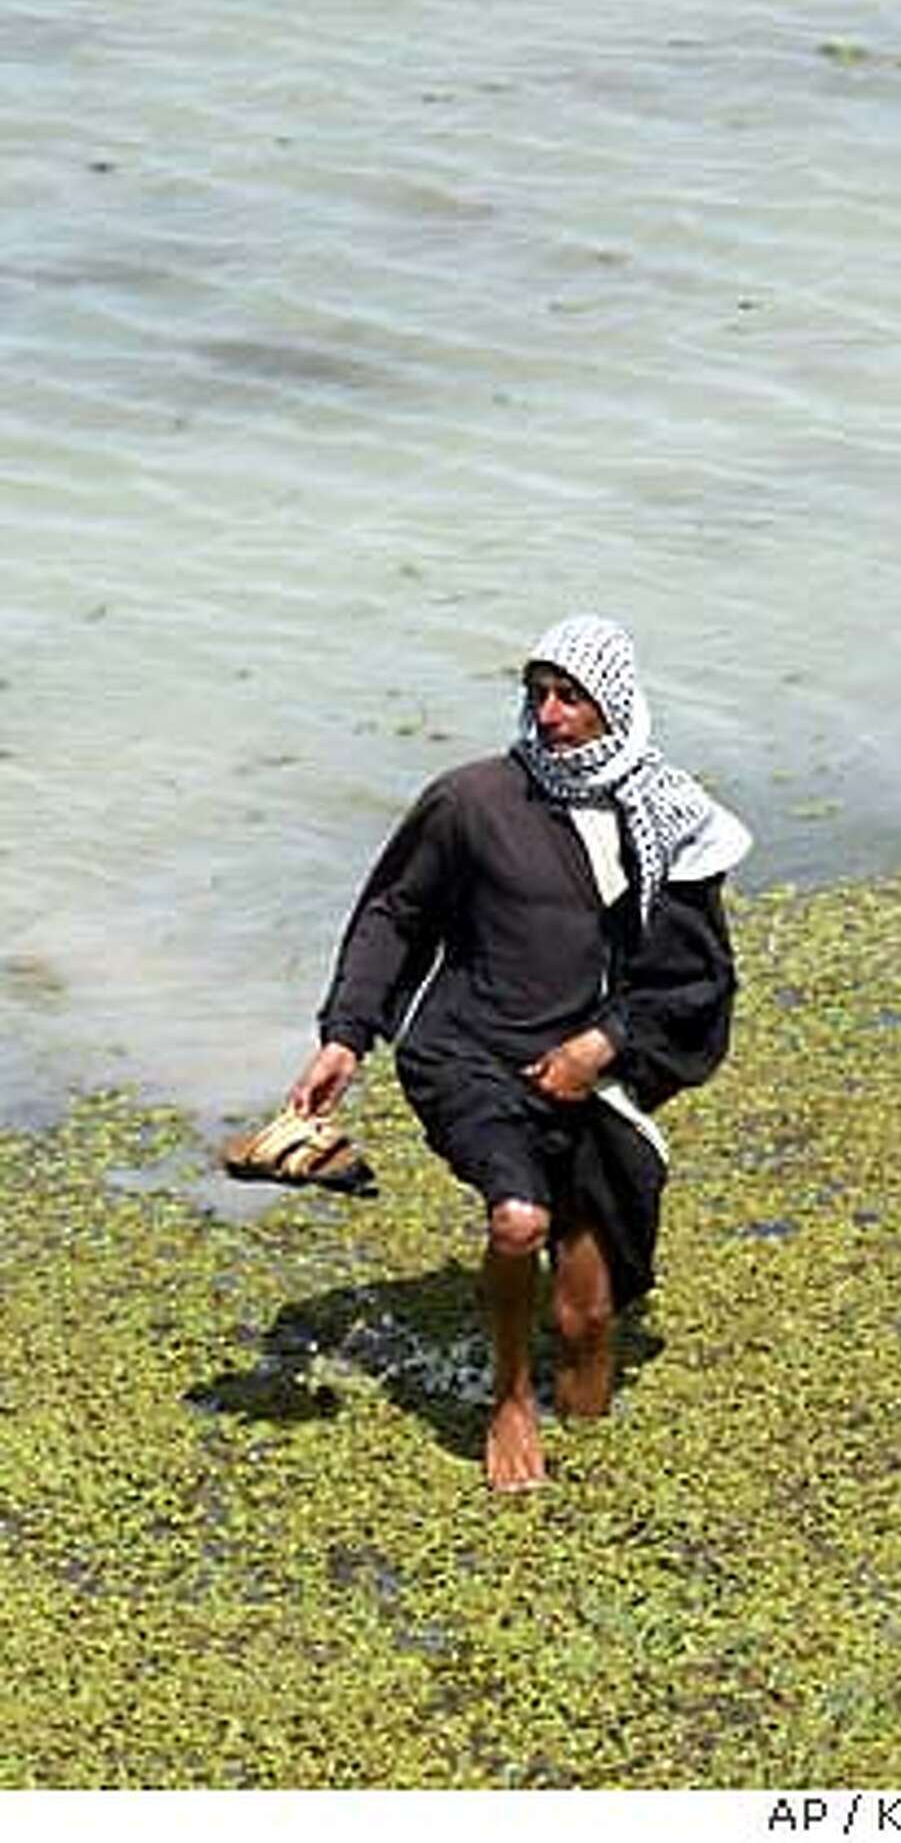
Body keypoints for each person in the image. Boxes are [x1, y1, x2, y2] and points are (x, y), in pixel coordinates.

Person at [288, 616, 751, 1491]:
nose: (547, 715)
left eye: (569, 697)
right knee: (518, 1220)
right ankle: (506, 1401)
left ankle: (582, 1446)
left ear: (613, 706)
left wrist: (602, 1044)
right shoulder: (473, 803)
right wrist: (348, 1035)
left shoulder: (667, 818)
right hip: (468, 1056)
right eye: (535, 693)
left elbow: (697, 976)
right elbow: (396, 917)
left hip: (587, 1078)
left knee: (586, 1324)